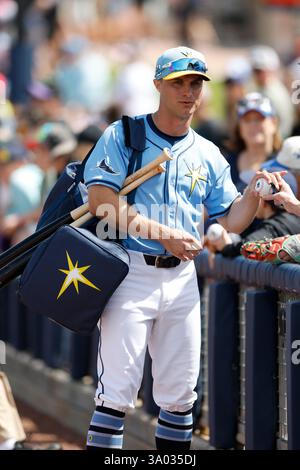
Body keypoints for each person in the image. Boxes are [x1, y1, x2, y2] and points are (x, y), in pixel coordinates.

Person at [83, 46, 284, 450]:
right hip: (131, 270)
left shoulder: (209, 153)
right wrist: (162, 233)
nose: (188, 92)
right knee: (116, 394)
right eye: (179, 83)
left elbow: (228, 220)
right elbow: (101, 200)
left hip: (181, 278)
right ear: (158, 83)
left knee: (180, 398)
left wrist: (253, 194)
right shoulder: (123, 135)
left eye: (195, 83)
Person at [225, 92, 282, 194]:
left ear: (273, 123)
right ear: (239, 127)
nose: (253, 125)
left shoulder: (284, 163)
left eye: (259, 119)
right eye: (247, 120)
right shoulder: (225, 165)